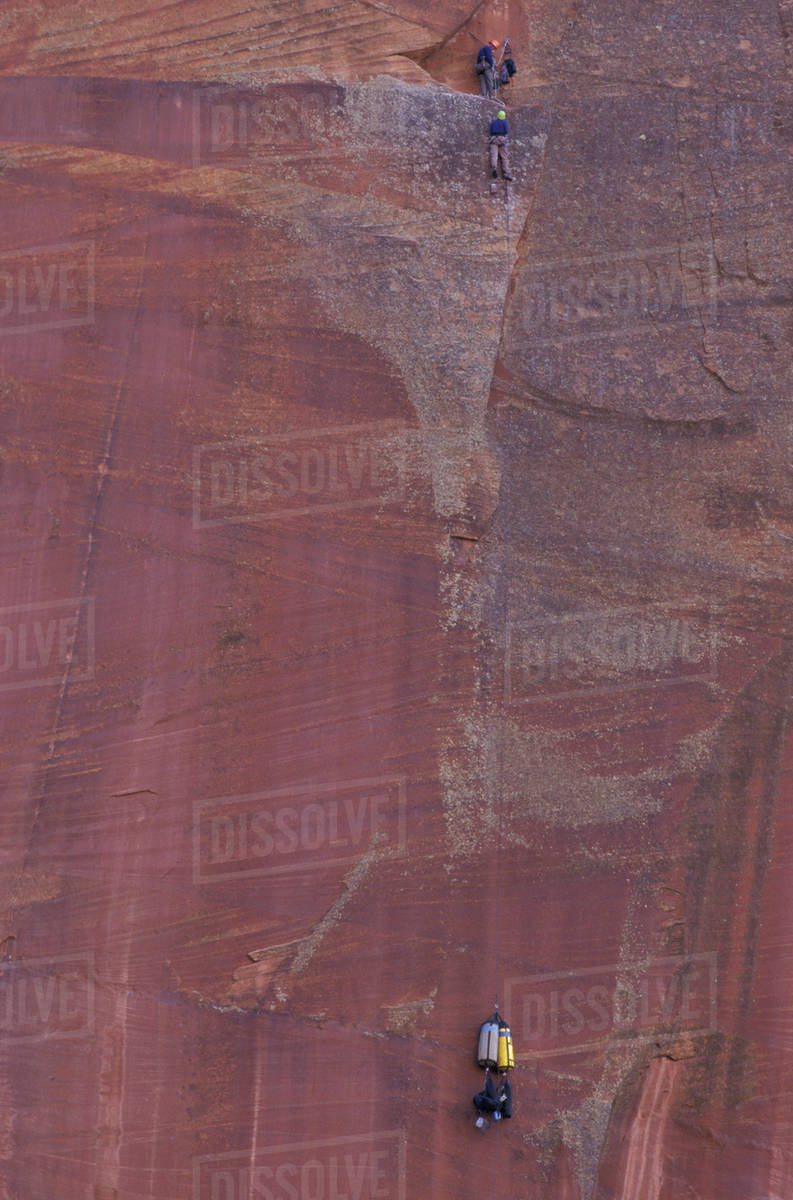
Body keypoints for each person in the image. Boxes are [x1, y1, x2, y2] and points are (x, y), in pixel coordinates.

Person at [489, 109, 513, 181]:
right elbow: (506, 131)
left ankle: (494, 168)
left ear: (498, 116)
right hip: (502, 139)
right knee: (504, 156)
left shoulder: (493, 123)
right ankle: (506, 173)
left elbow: (491, 131)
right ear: (503, 116)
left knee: (494, 155)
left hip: (494, 139)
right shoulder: (504, 123)